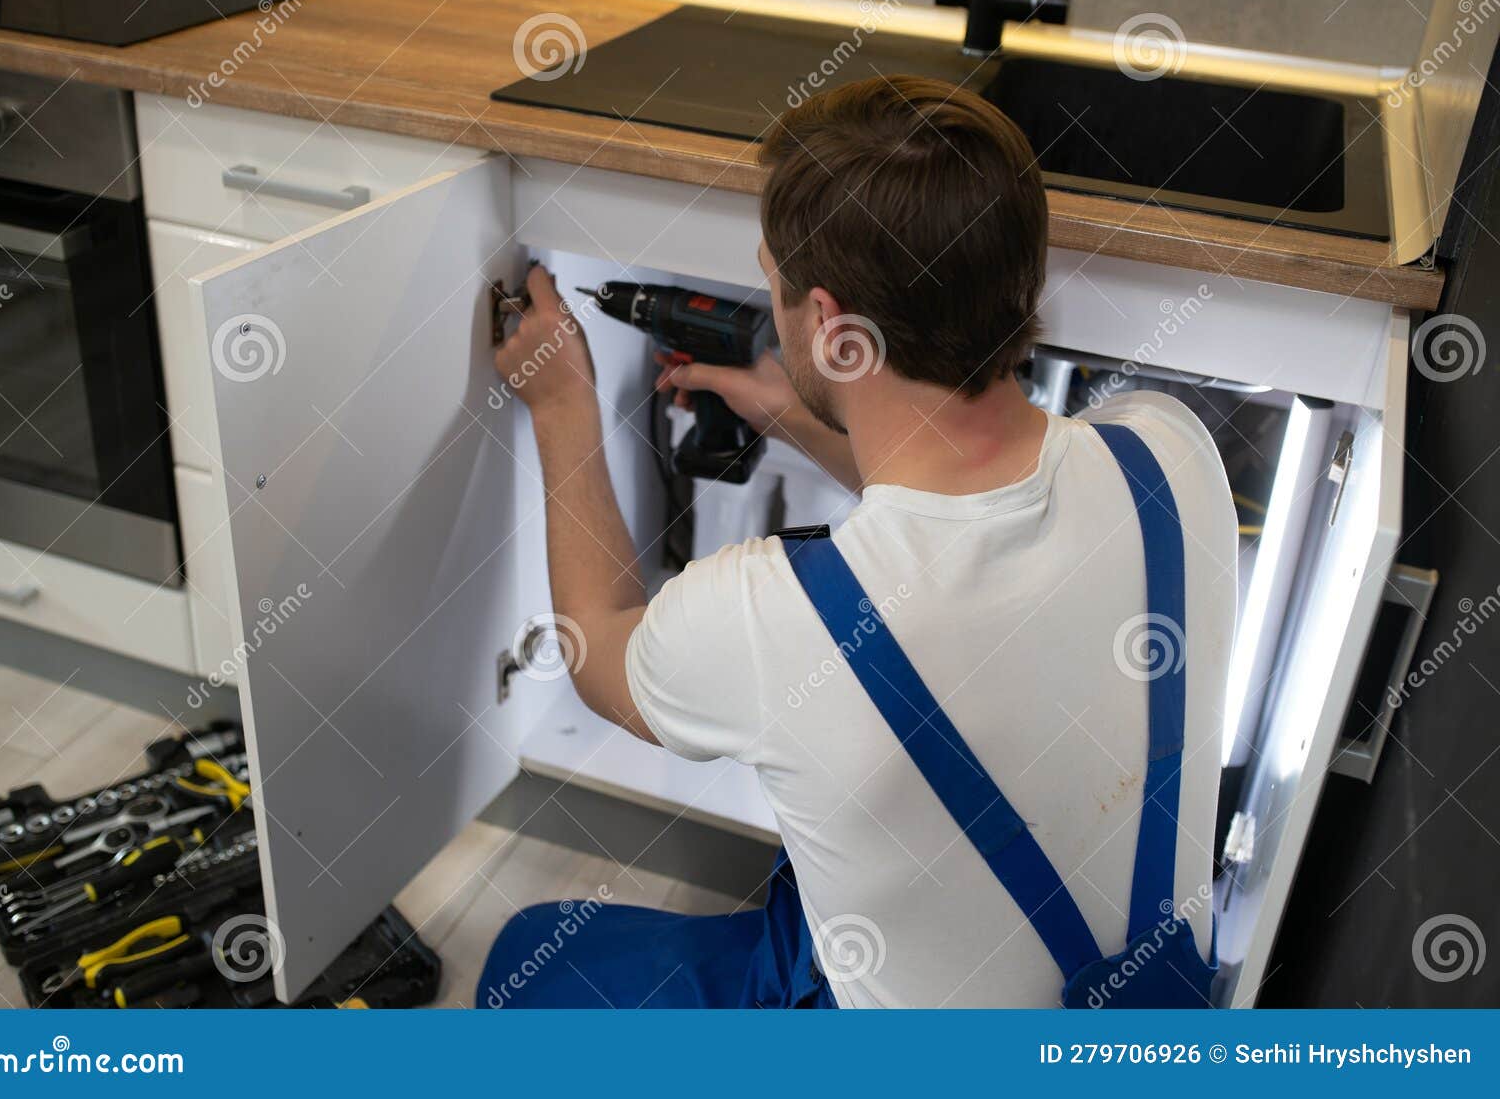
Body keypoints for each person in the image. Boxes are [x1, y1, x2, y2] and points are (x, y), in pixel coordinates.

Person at [479, 75, 1235, 1009]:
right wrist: (797, 416)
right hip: (1148, 1023)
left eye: (775, 277)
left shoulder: (776, 616)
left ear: (830, 324)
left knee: (529, 964)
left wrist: (561, 403)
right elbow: (967, 492)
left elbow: (598, 650)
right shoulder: (1167, 453)